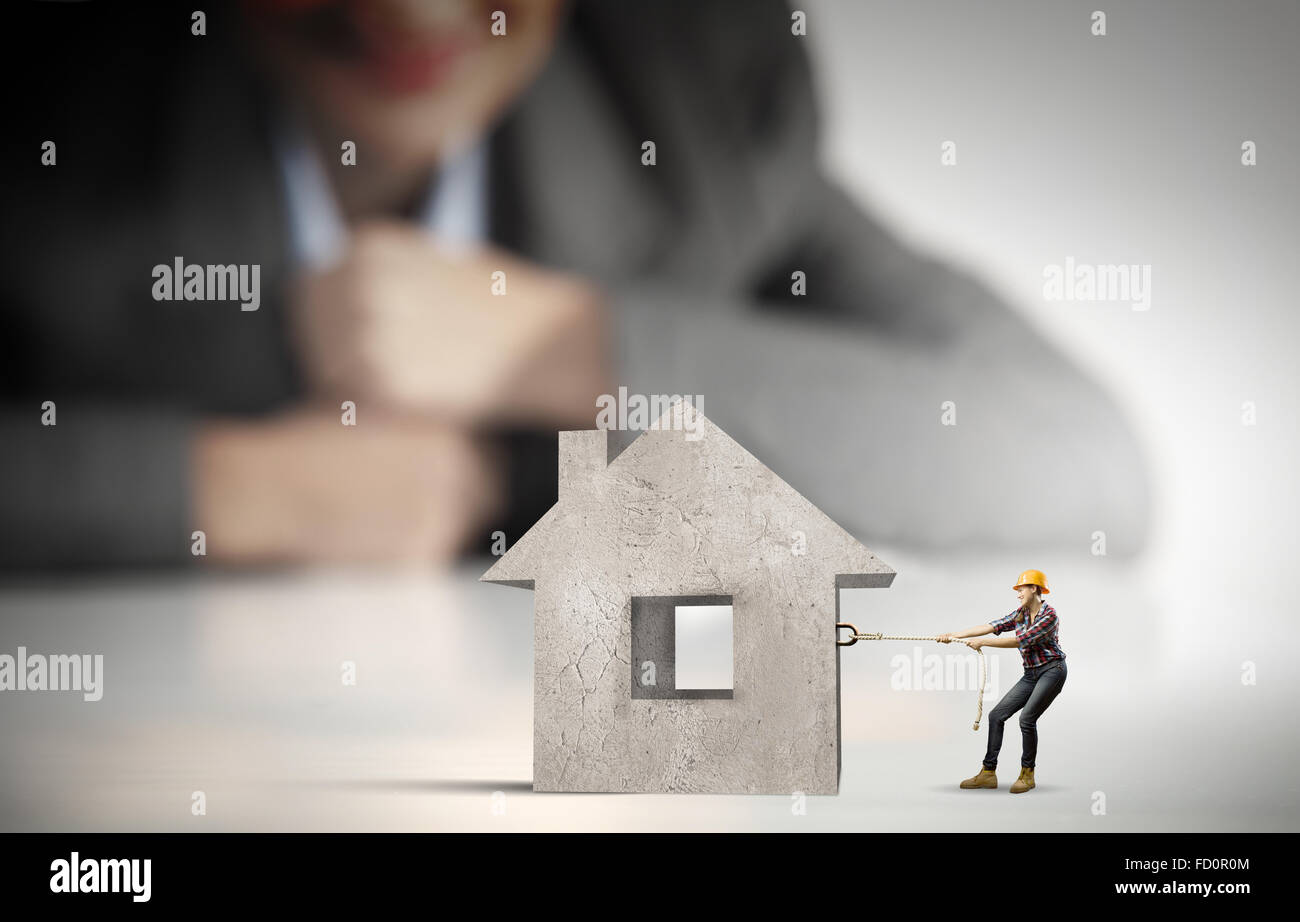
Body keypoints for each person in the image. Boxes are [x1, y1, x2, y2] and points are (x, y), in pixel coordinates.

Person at [0, 0, 1153, 570]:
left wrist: (562, 344)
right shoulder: (61, 109)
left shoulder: (693, 122)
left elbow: (1082, 456)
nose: (413, 8)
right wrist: (227, 492)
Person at [939, 569, 1067, 794]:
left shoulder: (1050, 616)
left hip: (1052, 671)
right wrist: (955, 635)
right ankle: (988, 774)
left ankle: (1027, 775)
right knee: (996, 715)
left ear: (1034, 588)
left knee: (1027, 719)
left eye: (1021, 589)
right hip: (1031, 674)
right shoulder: (1021, 614)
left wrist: (983, 643)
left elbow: (1020, 641)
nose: (1018, 594)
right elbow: (991, 626)